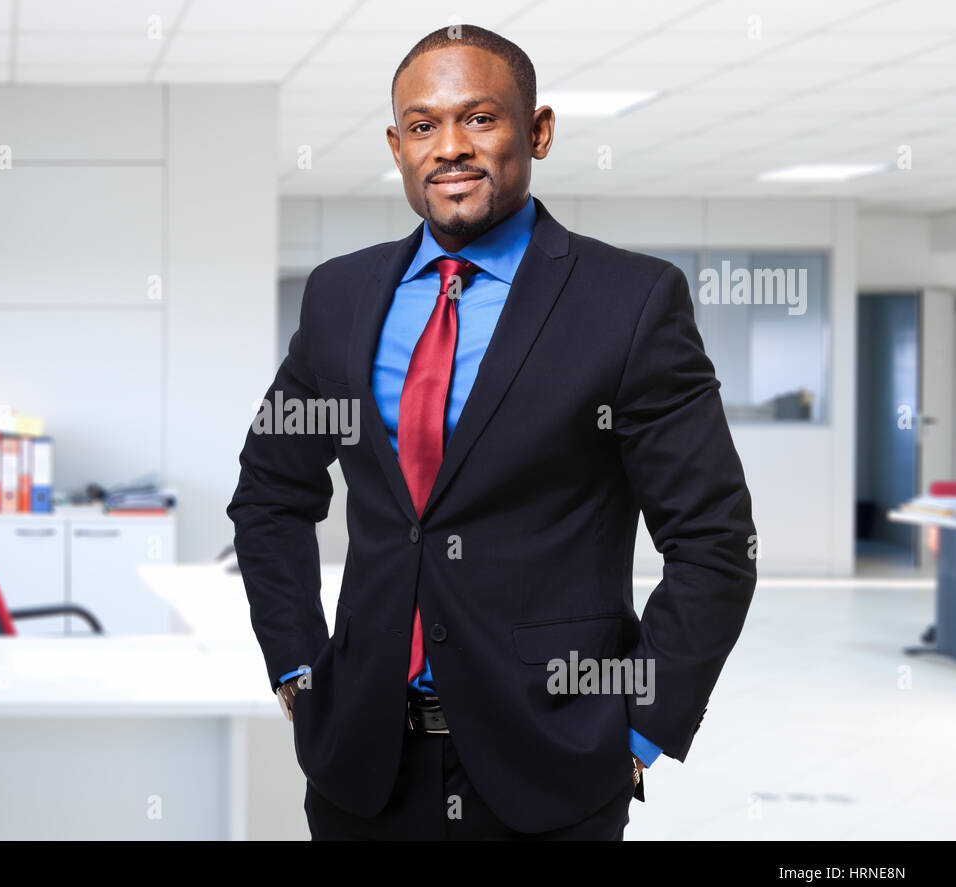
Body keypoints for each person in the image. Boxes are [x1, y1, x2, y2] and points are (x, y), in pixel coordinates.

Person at [228, 24, 757, 840]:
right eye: (422, 125)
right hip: (362, 765)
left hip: (551, 769)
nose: (450, 148)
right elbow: (269, 490)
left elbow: (716, 540)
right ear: (398, 145)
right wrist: (301, 669)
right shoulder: (338, 298)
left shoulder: (629, 303)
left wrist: (639, 731)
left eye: (479, 118)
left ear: (537, 130)